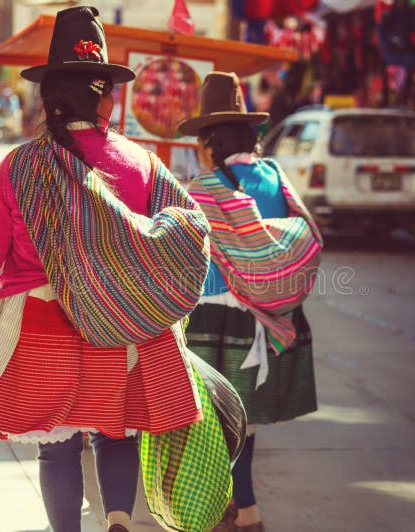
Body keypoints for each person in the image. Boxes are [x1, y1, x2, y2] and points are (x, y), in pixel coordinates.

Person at [0, 7, 210, 532]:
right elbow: (186, 228)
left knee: (59, 447)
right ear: (104, 97)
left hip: (41, 328)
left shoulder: (19, 165)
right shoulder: (140, 163)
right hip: (122, 326)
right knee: (118, 432)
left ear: (49, 99)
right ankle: (117, 520)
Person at [178, 72, 322, 532]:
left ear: (208, 141)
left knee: (214, 421)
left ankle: (234, 509)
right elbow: (302, 231)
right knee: (247, 422)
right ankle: (245, 508)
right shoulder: (276, 177)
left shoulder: (204, 189)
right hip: (269, 315)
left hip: (216, 313)